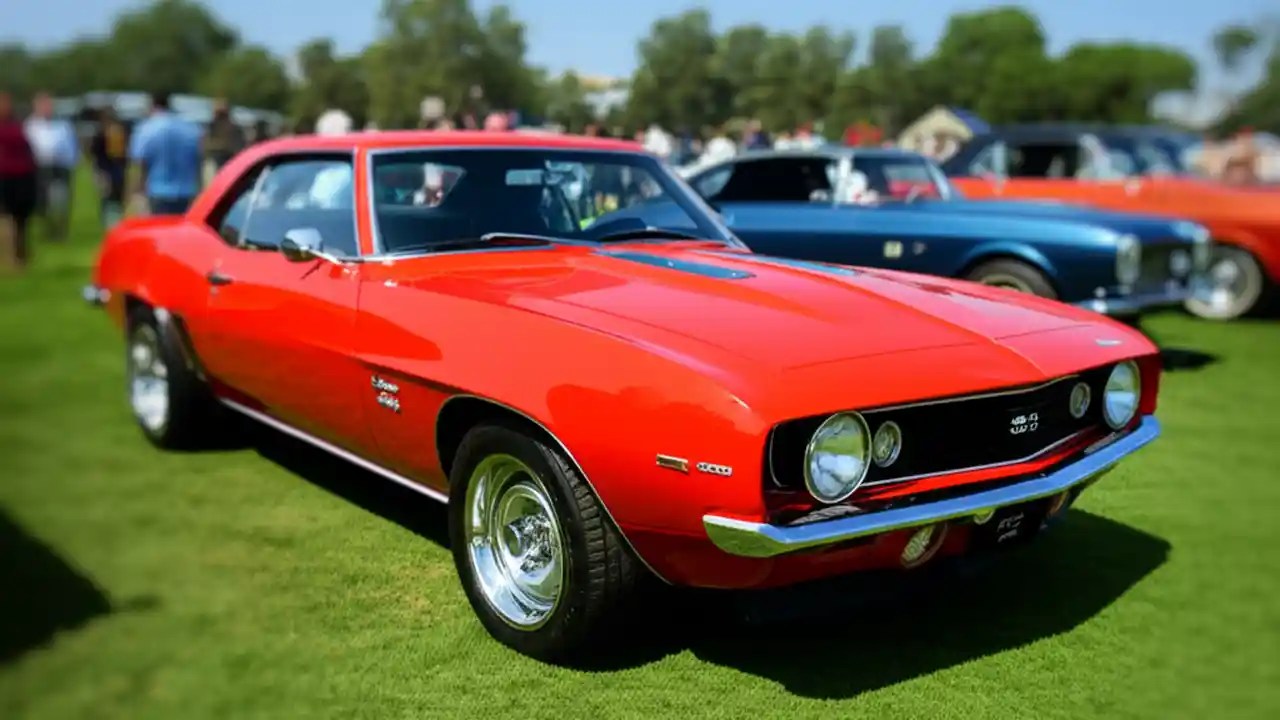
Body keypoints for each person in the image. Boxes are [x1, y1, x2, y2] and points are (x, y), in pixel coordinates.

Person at [128, 91, 203, 216]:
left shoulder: (145, 129)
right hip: (187, 191)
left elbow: (139, 164)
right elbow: (198, 160)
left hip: (157, 191)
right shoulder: (190, 128)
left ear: (152, 105)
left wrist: (134, 193)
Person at [23, 92, 78, 240]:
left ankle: (61, 231)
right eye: (43, 105)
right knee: (42, 202)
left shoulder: (63, 125)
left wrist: (71, 163)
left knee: (60, 200)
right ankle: (48, 229)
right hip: (39, 167)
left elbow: (72, 146)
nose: (47, 108)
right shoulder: (30, 126)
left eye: (49, 105)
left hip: (60, 167)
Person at [0, 93, 38, 270]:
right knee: (6, 218)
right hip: (4, 176)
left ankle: (21, 254)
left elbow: (28, 148)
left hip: (23, 176)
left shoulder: (17, 125)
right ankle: (9, 258)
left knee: (21, 218)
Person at [89, 106, 129, 229]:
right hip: (106, 170)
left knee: (116, 195)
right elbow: (95, 153)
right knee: (108, 196)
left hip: (117, 169)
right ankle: (109, 222)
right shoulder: (101, 134)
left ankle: (114, 221)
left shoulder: (120, 132)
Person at [203, 99, 245, 185]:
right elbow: (205, 145)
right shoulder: (211, 127)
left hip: (229, 164)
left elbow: (238, 148)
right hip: (215, 162)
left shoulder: (234, 129)